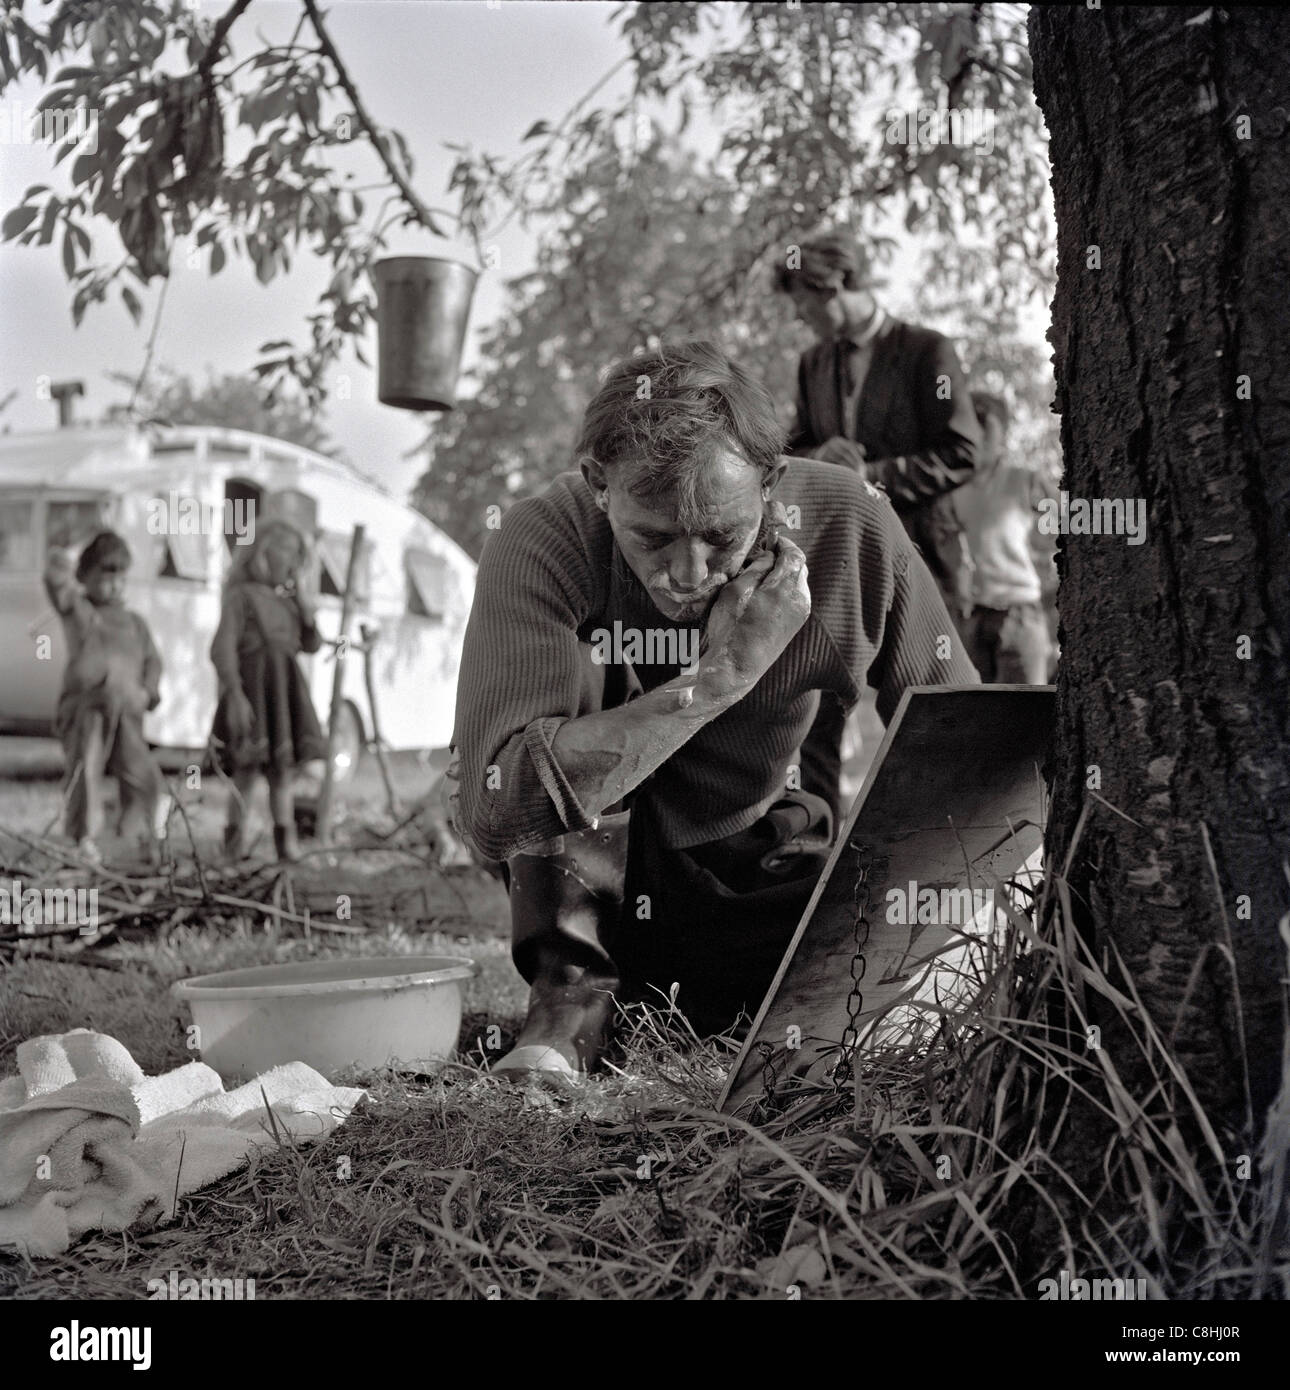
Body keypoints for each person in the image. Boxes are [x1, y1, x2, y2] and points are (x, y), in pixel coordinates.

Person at [447, 341, 979, 1081]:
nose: (690, 575)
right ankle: (572, 998)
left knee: (845, 967)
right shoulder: (542, 537)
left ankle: (737, 997)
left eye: (721, 536)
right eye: (653, 538)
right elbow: (494, 806)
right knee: (580, 700)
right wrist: (723, 674)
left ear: (771, 482)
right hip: (584, 885)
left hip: (755, 859)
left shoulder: (851, 526)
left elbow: (967, 743)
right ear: (600, 485)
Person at [774, 231, 982, 823]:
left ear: (834, 284)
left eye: (801, 300)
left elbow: (962, 450)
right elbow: (798, 446)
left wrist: (875, 474)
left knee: (926, 715)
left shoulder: (927, 350)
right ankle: (816, 858)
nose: (798, 314)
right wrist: (820, 453)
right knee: (811, 714)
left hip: (921, 564)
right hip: (834, 571)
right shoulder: (811, 363)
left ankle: (950, 842)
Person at [44, 530, 168, 865]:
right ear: (85, 577)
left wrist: (149, 691)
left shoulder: (135, 623)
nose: (114, 585)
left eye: (121, 578)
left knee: (143, 776)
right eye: (105, 576)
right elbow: (56, 580)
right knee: (85, 771)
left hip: (128, 711)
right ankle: (82, 841)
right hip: (88, 711)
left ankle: (146, 838)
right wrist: (66, 553)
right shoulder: (80, 611)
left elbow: (153, 660)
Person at [210, 519, 327, 863]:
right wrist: (233, 693)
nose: (293, 569)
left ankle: (285, 845)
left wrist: (307, 611)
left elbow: (312, 644)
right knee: (246, 771)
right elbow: (222, 648)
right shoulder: (240, 598)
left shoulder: (288, 604)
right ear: (264, 555)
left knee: (282, 775)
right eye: (289, 559)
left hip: (282, 698)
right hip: (253, 696)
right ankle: (233, 844)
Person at [955, 392, 1055, 684]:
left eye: (987, 427)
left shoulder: (1023, 480)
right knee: (978, 717)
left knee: (1027, 716)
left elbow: (1071, 518)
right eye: (970, 426)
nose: (978, 436)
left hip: (1020, 615)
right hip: (970, 621)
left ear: (1002, 434)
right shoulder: (950, 488)